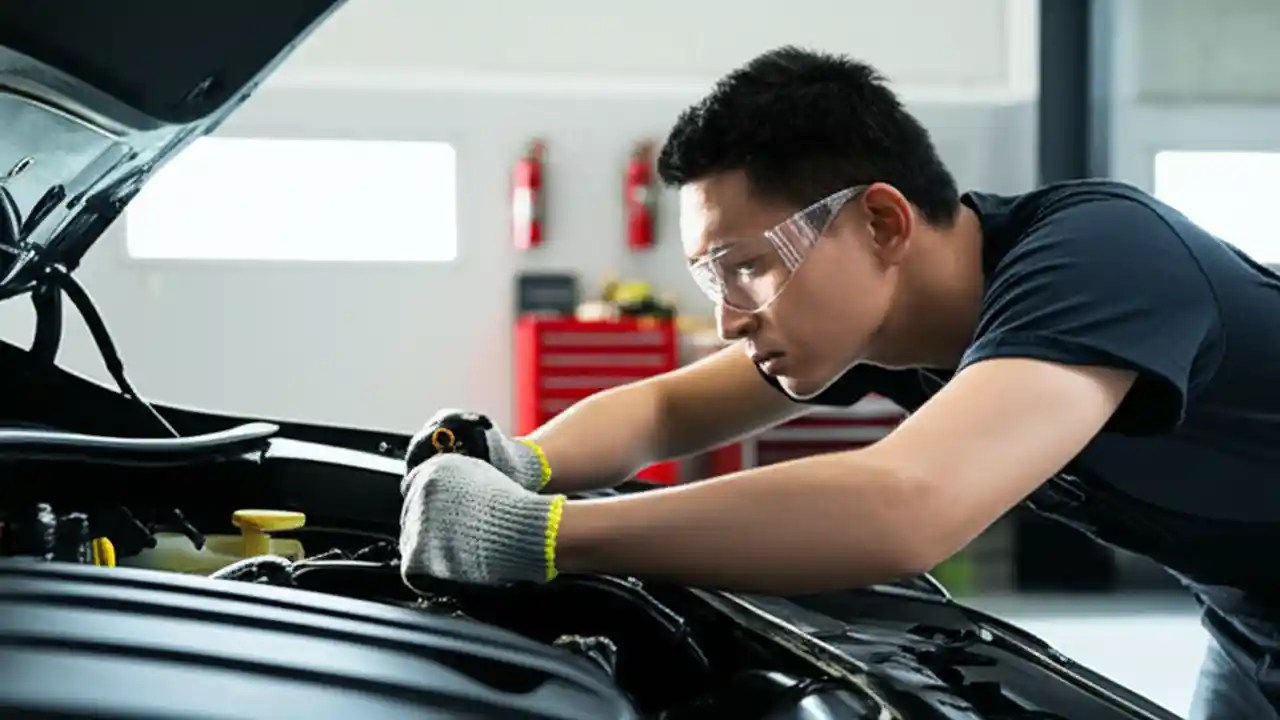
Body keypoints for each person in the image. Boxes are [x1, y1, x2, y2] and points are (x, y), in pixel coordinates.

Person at [397, 47, 1280, 719]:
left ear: (883, 222)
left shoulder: (1103, 261)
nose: (729, 320)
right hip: (1252, 619)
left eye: (745, 269)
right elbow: (666, 409)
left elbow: (905, 506)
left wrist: (546, 535)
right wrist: (517, 460)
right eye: (713, 280)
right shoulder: (892, 322)